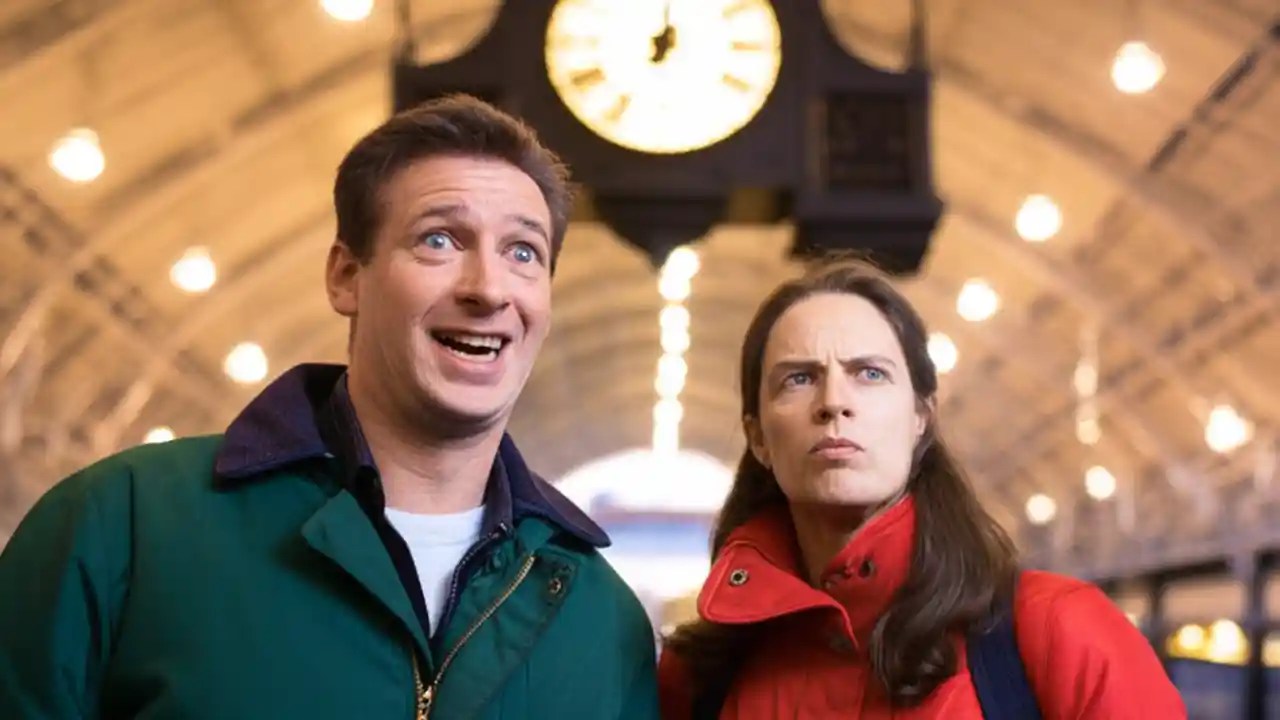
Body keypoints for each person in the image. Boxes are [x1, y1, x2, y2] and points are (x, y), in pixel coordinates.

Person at [0, 95, 659, 719]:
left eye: (523, 252)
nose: (487, 288)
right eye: (439, 240)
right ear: (346, 276)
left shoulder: (602, 624)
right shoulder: (125, 528)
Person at [657, 261, 1185, 719]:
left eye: (869, 373)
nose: (834, 401)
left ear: (920, 419)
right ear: (758, 437)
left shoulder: (1060, 634)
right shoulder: (701, 676)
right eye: (798, 379)